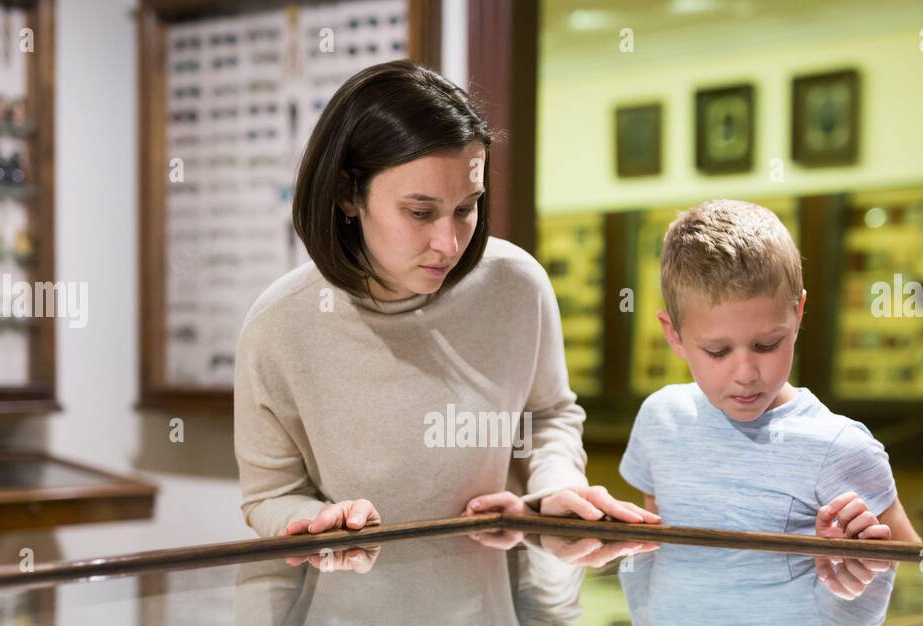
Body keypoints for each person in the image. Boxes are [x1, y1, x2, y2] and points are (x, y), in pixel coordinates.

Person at [234, 59, 659, 539]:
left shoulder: (516, 285)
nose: (449, 243)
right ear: (347, 195)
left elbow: (546, 416)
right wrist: (315, 523)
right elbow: (270, 496)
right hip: (346, 603)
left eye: (466, 208)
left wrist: (556, 485)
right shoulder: (279, 323)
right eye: (420, 212)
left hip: (492, 598)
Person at [619, 199, 921, 544]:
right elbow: (658, 547)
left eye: (766, 345)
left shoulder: (843, 449)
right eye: (718, 351)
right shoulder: (660, 419)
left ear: (798, 314)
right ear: (674, 334)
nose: (746, 374)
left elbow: (916, 568)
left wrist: (858, 559)